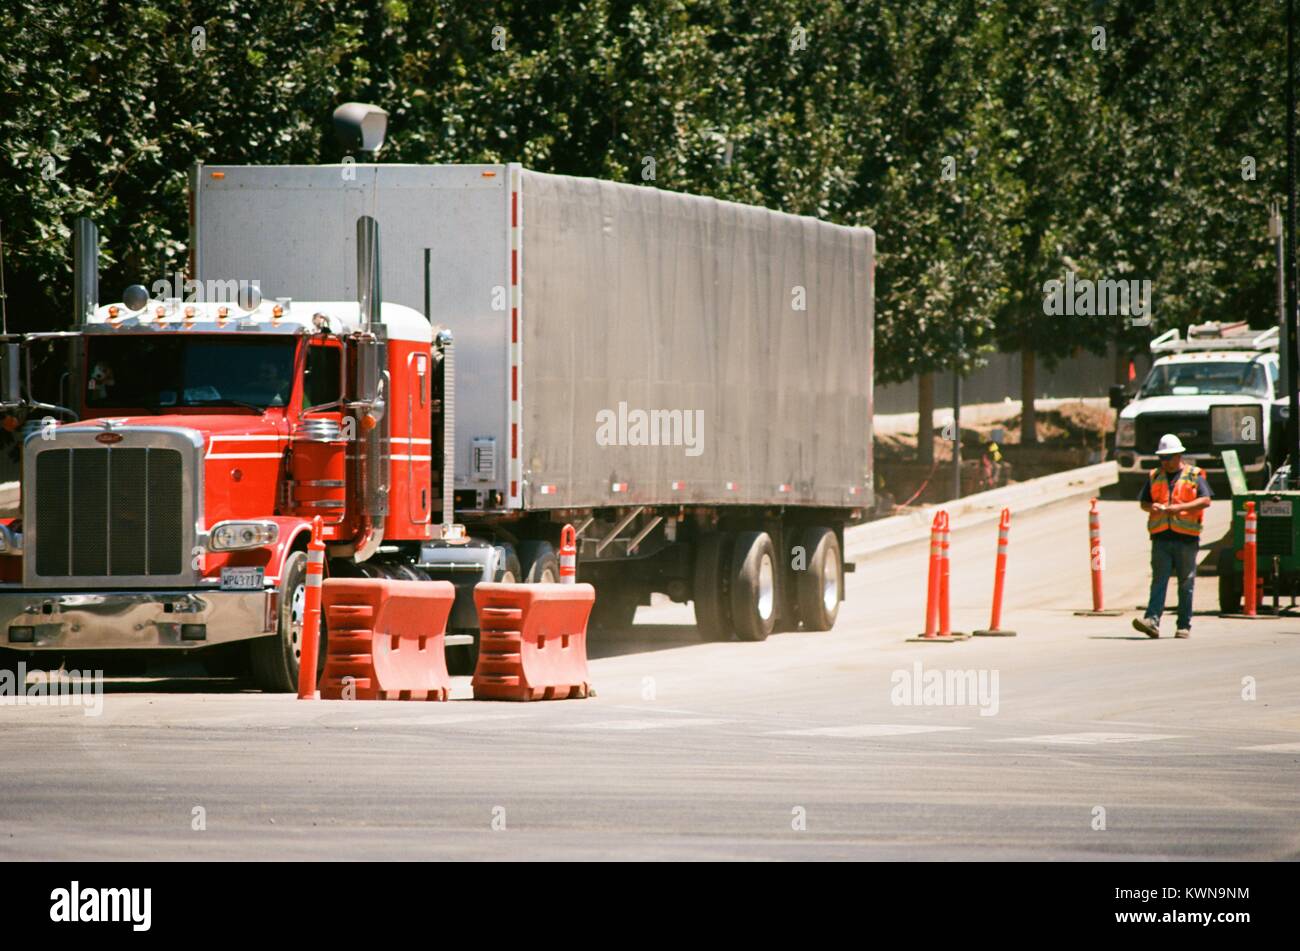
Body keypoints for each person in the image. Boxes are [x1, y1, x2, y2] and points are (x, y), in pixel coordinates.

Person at [1133, 434, 1212, 639]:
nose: (1165, 462)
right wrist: (1154, 507)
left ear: (1179, 456)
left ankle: (1183, 625)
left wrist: (1178, 508)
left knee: (1186, 583)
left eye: (1168, 457)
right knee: (1159, 580)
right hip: (1161, 537)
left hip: (1186, 538)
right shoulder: (1154, 476)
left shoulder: (1194, 475)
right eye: (1162, 458)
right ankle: (1152, 621)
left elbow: (1205, 500)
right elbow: (1144, 502)